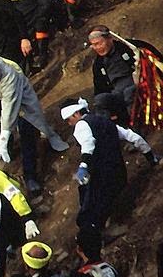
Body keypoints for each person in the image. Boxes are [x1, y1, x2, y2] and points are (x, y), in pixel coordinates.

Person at [61, 97, 157, 230]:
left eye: (68, 119)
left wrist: (83, 166)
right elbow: (133, 137)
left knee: (92, 205)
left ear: (76, 114)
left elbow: (88, 145)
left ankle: (99, 234)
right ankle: (114, 221)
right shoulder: (105, 121)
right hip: (118, 171)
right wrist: (151, 157)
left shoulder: (81, 126)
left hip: (101, 174)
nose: (69, 123)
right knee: (109, 199)